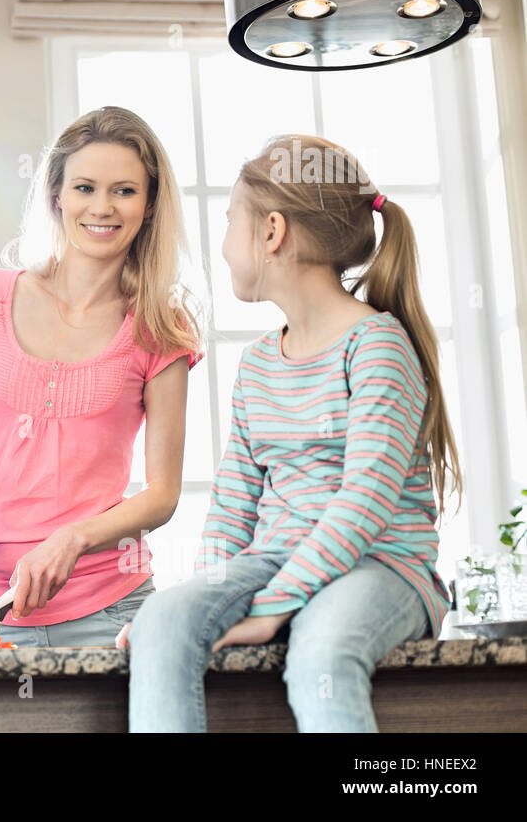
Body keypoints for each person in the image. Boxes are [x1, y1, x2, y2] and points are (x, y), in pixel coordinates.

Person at [123, 134, 463, 732]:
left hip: (386, 566)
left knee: (321, 648)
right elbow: (233, 505)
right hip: (276, 558)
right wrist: (192, 608)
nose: (224, 247)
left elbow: (366, 503)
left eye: (232, 223)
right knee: (162, 619)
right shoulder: (257, 364)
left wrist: (274, 606)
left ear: (272, 232)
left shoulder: (377, 345)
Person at [0, 106, 204, 647]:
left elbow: (163, 493)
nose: (102, 207)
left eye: (124, 191)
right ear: (57, 195)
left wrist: (73, 538)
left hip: (111, 609)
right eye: (85, 187)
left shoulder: (161, 325)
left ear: (148, 205)